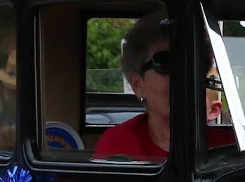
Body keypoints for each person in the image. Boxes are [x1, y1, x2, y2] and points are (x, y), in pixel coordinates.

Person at [94, 19, 236, 161]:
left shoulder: (227, 148)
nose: (184, 75)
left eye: (193, 64)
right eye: (165, 63)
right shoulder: (117, 145)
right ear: (138, 84)